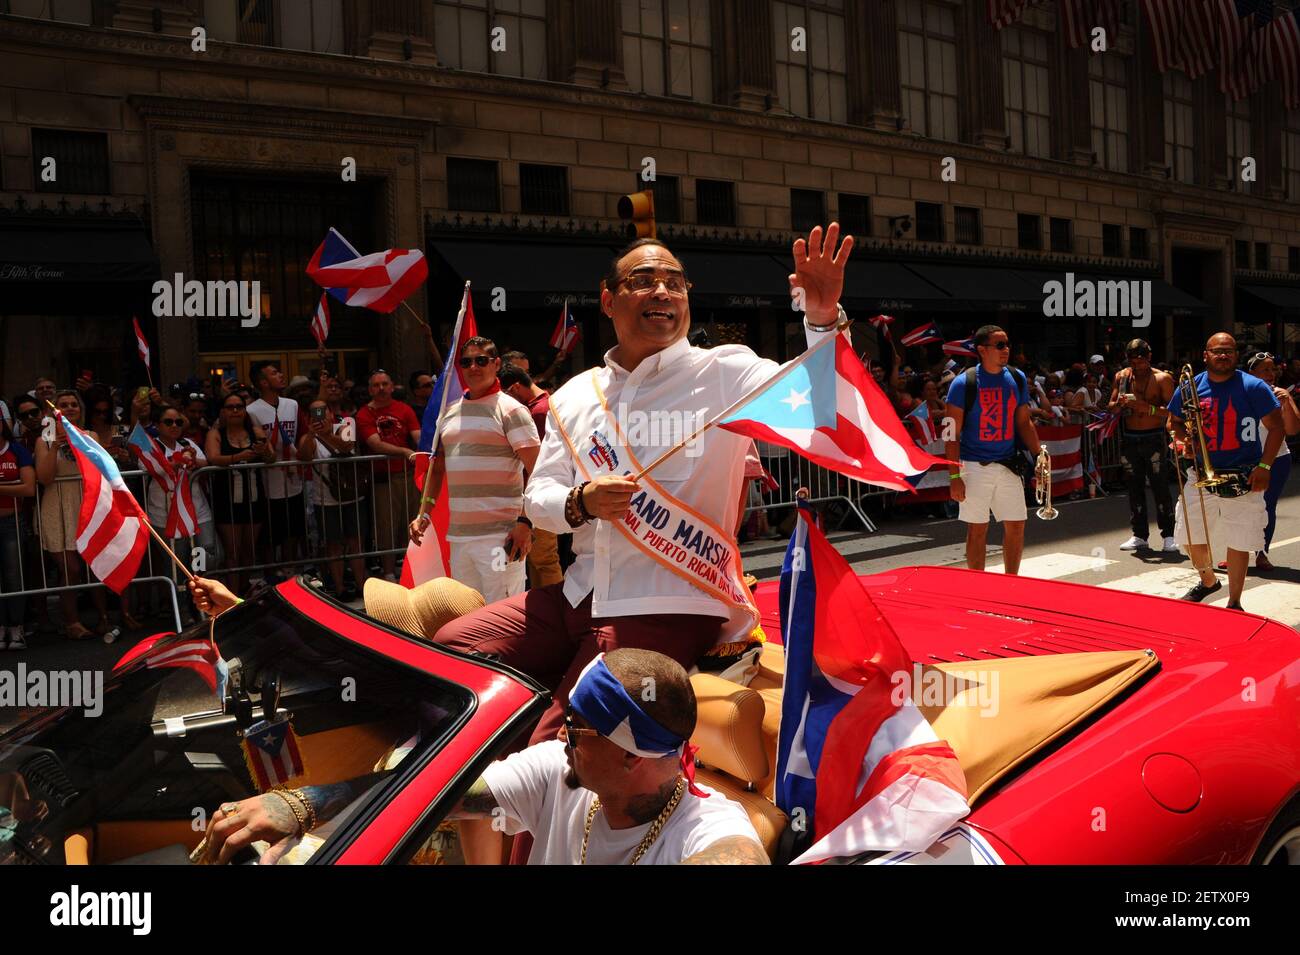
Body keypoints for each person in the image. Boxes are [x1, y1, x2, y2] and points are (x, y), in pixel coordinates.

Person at [433, 224, 853, 749]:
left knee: (562, 742)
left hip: (670, 599)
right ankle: (473, 773)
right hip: (578, 593)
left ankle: (516, 791)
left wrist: (820, 318)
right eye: (644, 280)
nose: (662, 292)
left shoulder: (725, 372)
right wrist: (579, 503)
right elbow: (539, 500)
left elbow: (821, 405)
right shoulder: (575, 395)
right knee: (451, 651)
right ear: (608, 301)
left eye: (675, 283)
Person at [450, 648, 766, 865]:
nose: (561, 735)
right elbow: (444, 791)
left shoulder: (706, 825)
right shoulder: (556, 768)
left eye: (576, 726)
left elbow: (740, 855)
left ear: (630, 755)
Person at [410, 339, 540, 602]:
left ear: (496, 364)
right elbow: (437, 470)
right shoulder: (448, 413)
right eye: (466, 361)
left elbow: (538, 470)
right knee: (468, 616)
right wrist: (424, 513)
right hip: (460, 539)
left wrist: (526, 523)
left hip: (500, 537)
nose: (474, 366)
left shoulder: (512, 410)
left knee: (501, 617)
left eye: (481, 360)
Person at [1168, 333, 1283, 609]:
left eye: (1229, 351)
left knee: (1240, 539)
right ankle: (1208, 580)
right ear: (1205, 355)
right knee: (1189, 536)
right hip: (1201, 472)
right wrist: (1185, 439)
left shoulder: (1253, 386)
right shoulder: (1190, 387)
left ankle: (1234, 601)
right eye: (1217, 351)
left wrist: (1265, 466)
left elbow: (1277, 427)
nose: (1223, 355)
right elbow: (1173, 422)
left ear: (1236, 355)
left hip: (1244, 473)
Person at [944, 325, 1044, 574]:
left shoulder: (1017, 378)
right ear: (982, 350)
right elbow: (950, 433)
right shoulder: (962, 383)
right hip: (975, 466)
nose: (1006, 350)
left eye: (1007, 344)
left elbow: (1024, 422)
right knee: (977, 529)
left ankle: (1010, 582)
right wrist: (954, 476)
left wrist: (1040, 455)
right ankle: (980, 587)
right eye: (999, 345)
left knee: (1017, 524)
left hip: (1008, 464)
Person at [33, 390, 110, 640]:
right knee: (71, 568)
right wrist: (56, 443)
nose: (69, 408)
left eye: (73, 404)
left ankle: (104, 618)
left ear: (81, 409)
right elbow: (44, 478)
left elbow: (101, 470)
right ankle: (72, 622)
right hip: (57, 504)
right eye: (63, 405)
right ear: (55, 411)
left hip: (87, 503)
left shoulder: (91, 435)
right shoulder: (45, 438)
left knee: (95, 565)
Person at [1218, 353, 1300, 573]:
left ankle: (1261, 552)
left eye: (1273, 369)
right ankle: (1236, 552)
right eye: (1265, 370)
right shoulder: (1240, 392)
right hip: (1243, 459)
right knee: (1236, 507)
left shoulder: (1280, 395)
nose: (1271, 374)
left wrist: (1286, 402)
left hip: (1277, 460)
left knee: (1266, 506)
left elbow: (1292, 429)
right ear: (1251, 373)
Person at [144, 401, 217, 625]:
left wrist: (196, 462)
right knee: (177, 564)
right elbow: (147, 467)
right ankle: (183, 610)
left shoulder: (187, 443)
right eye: (168, 422)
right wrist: (170, 466)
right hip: (165, 515)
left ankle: (204, 601)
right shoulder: (150, 447)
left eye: (178, 422)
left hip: (197, 511)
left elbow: (206, 462)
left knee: (207, 553)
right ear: (157, 425)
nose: (174, 426)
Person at [1107, 339, 1178, 553]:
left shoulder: (1162, 378)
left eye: (1141, 360)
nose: (1138, 365)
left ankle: (1169, 535)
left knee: (1160, 486)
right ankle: (1139, 535)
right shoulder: (1122, 378)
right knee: (1134, 487)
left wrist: (1147, 408)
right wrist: (1119, 404)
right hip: (1129, 437)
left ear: (1149, 357)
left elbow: (1173, 410)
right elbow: (1110, 407)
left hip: (1154, 436)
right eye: (1133, 361)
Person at [500, 363, 564, 588]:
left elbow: (534, 463)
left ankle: (552, 612)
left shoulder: (537, 412)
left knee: (543, 559)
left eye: (505, 395)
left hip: (538, 495)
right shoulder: (549, 403)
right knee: (542, 559)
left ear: (515, 388)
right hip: (544, 493)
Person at [299, 398, 369, 601]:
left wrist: (327, 434)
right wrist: (312, 435)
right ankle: (339, 588)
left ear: (330, 412)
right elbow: (304, 457)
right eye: (314, 413)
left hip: (352, 496)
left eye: (322, 411)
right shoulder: (309, 437)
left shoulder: (345, 425)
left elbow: (347, 447)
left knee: (356, 542)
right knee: (333, 545)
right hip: (325, 500)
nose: (320, 416)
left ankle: (361, 585)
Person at [355, 369, 422, 581]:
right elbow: (374, 443)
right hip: (383, 479)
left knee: (412, 522)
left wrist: (429, 451)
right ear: (370, 390)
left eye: (385, 384)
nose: (381, 388)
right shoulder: (364, 414)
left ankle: (413, 570)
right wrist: (404, 452)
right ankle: (389, 572)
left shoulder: (404, 409)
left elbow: (418, 436)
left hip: (408, 475)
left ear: (392, 386)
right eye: (376, 385)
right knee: (386, 526)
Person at [205, 391, 273, 598]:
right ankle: (232, 596)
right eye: (230, 407)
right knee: (232, 550)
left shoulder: (255, 430)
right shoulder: (215, 433)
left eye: (239, 407)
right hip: (227, 497)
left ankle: (244, 589)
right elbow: (213, 458)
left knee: (249, 549)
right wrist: (238, 457)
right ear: (223, 411)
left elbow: (271, 457)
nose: (235, 411)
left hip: (253, 496)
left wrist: (264, 450)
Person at [246, 361, 307, 578]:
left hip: (293, 479)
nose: (281, 375)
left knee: (293, 529)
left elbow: (301, 435)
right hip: (267, 481)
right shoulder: (251, 410)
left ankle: (290, 570)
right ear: (263, 382)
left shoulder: (292, 405)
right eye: (274, 373)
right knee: (271, 533)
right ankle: (271, 574)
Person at [0, 406, 36, 650]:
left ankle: (17, 628)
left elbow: (29, 488)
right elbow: (19, 486)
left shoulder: (17, 450)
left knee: (14, 577)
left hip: (11, 522)